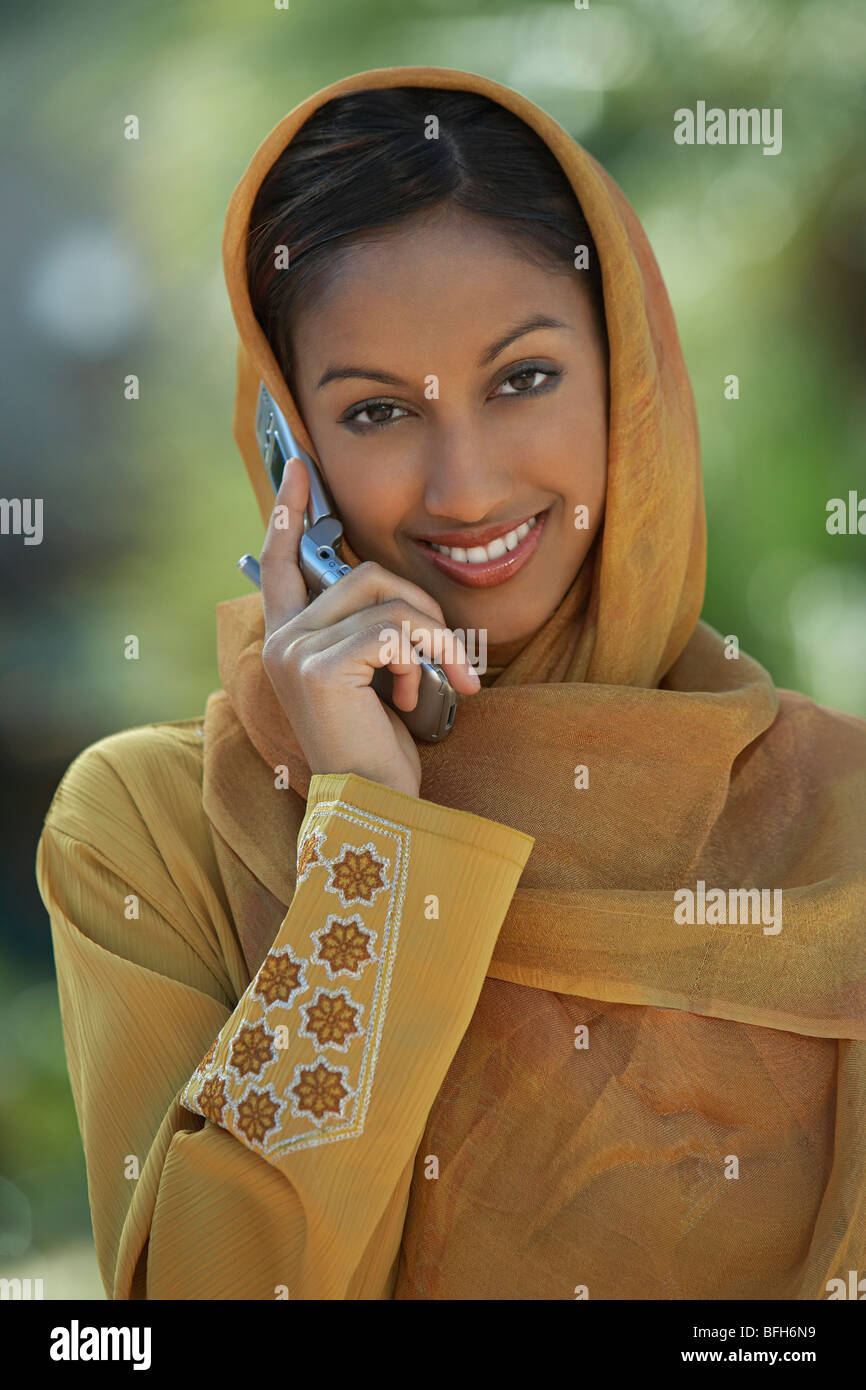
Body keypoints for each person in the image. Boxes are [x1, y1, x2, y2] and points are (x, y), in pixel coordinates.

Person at [35, 65, 866, 1301]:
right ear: (288, 457)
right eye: (375, 412)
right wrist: (371, 840)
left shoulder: (837, 812)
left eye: (522, 379)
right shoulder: (150, 829)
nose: (465, 488)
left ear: (627, 381)